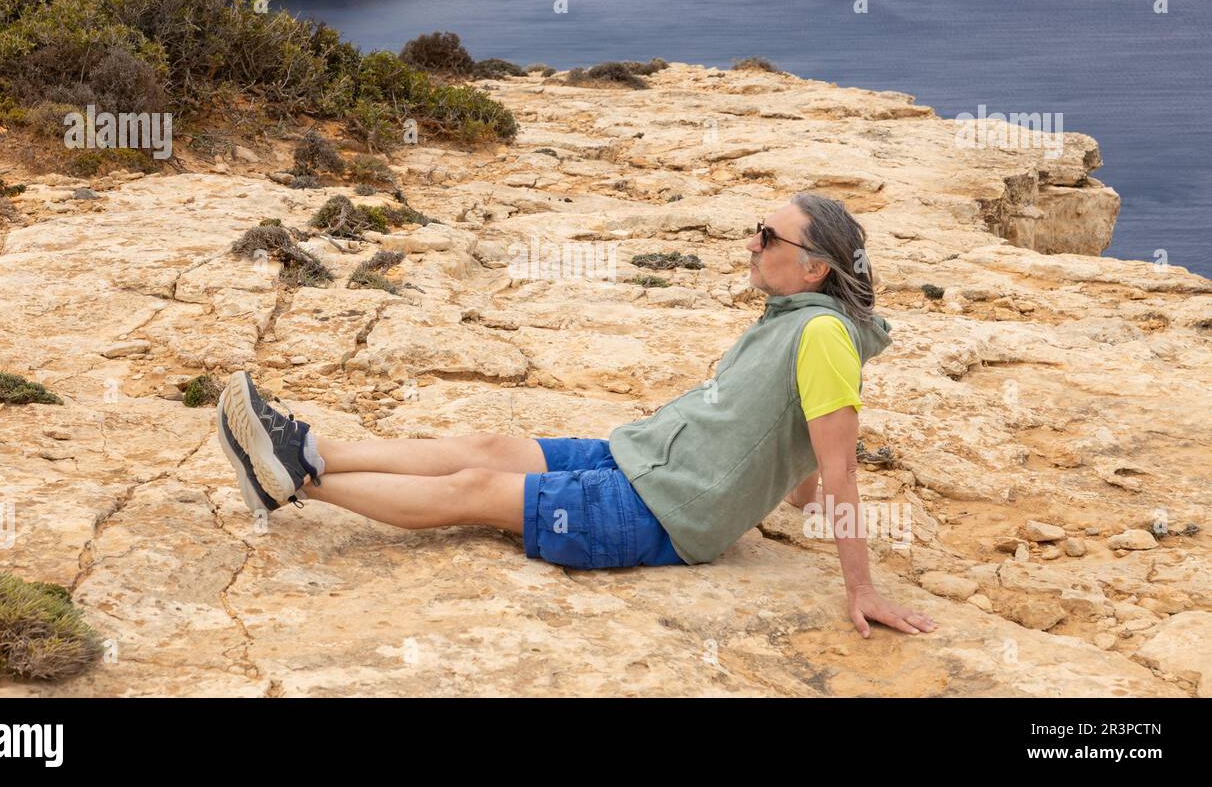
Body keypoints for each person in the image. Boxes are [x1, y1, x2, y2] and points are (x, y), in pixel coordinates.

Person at [215, 192, 937, 638]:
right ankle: (312, 446)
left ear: (814, 267)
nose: (752, 242)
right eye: (758, 228)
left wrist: (860, 587)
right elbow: (806, 445)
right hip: (638, 459)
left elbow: (839, 466)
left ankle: (295, 479)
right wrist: (794, 496)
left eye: (769, 237)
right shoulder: (797, 320)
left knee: (473, 493)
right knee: (487, 444)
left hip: (659, 511)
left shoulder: (820, 334)